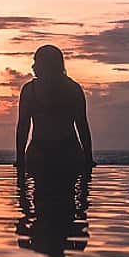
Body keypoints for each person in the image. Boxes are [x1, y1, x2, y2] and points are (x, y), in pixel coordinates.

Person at [15, 45, 94, 179]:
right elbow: (82, 125)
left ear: (45, 64)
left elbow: (23, 126)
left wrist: (20, 159)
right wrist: (88, 158)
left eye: (36, 62)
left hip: (44, 152)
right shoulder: (73, 88)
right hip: (67, 152)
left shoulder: (29, 90)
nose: (33, 66)